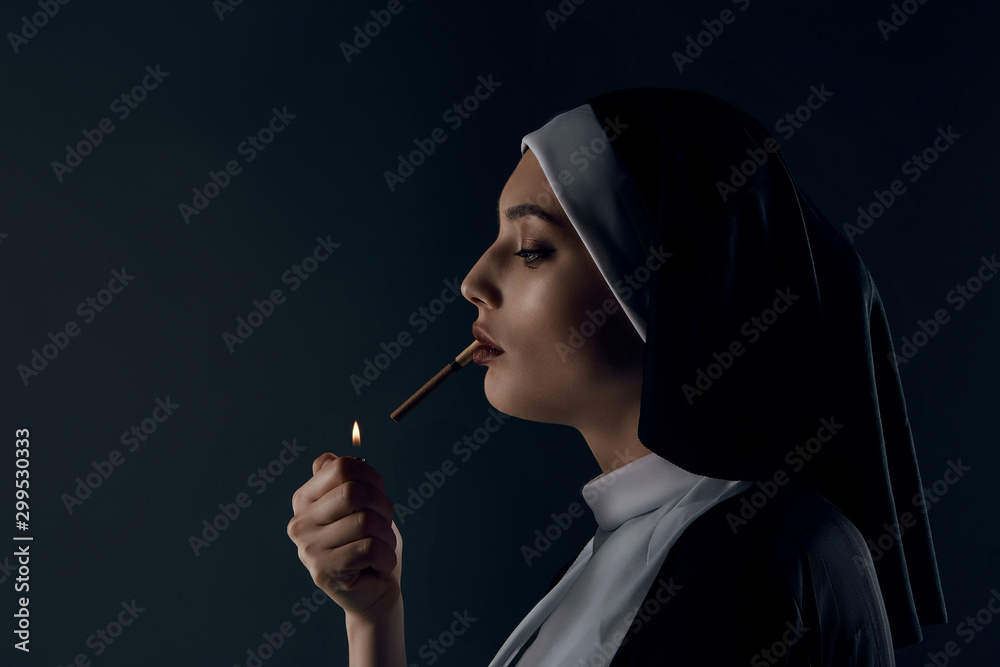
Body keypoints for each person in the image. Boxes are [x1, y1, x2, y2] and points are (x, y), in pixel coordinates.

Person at [286, 88, 947, 666]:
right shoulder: (639, 549)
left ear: (663, 283)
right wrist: (372, 615)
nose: (474, 281)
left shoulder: (761, 562)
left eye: (533, 250)